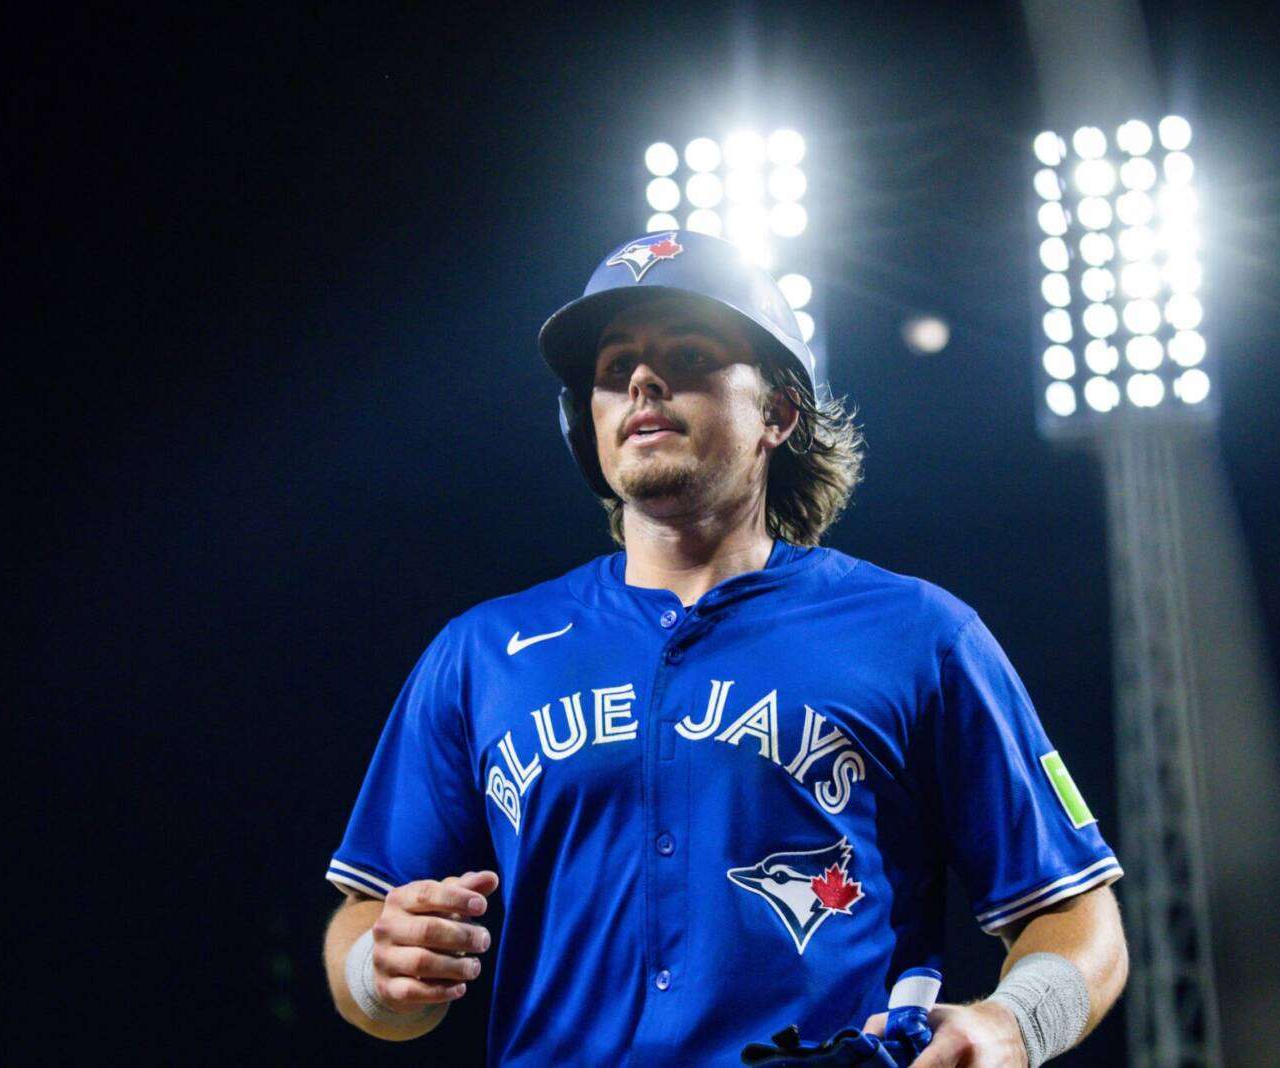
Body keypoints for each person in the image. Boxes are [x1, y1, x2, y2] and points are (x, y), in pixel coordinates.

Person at [321, 231, 1128, 1065]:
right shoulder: (481, 654)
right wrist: (381, 972)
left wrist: (1013, 1025)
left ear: (778, 413)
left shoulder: (921, 634)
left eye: (690, 354)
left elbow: (1076, 913)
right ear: (586, 422)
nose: (642, 380)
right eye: (615, 367)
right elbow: (363, 920)